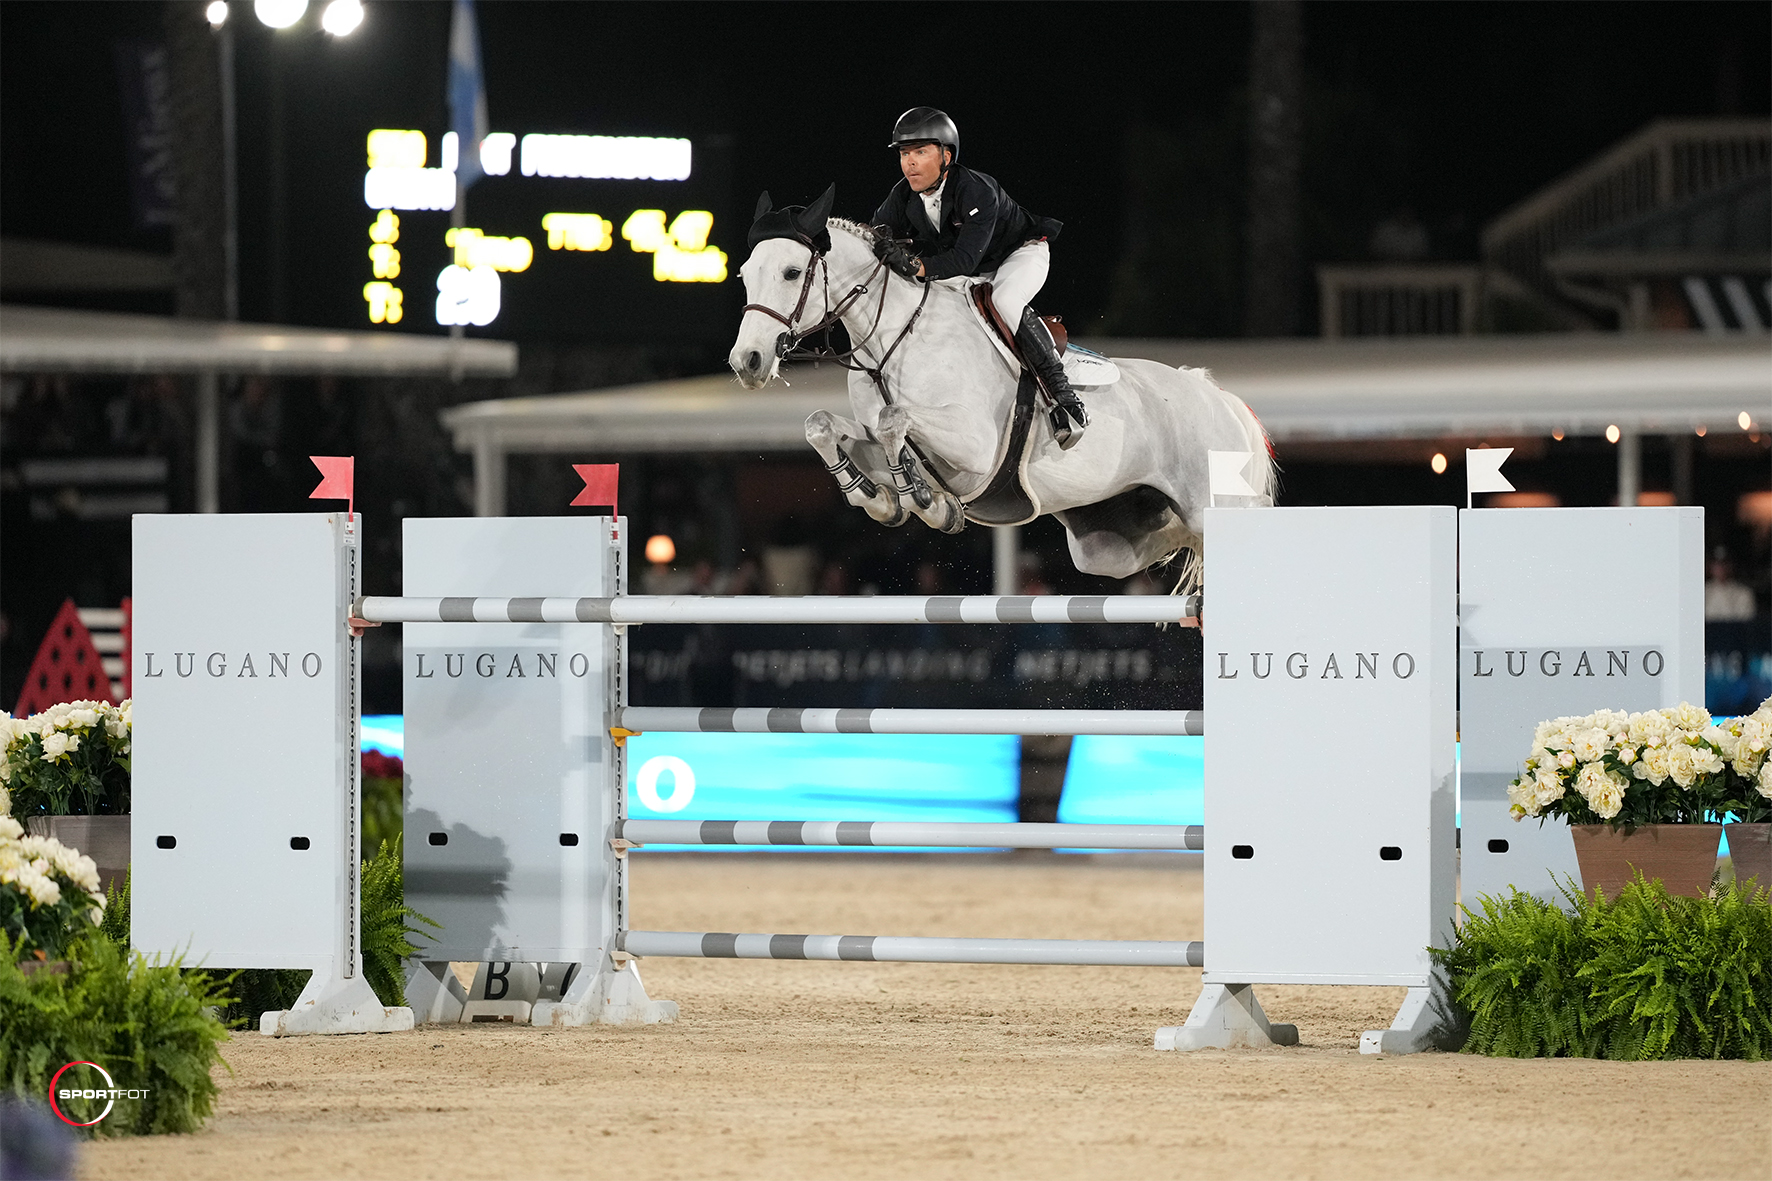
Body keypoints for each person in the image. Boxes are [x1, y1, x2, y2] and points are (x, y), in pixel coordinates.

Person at [869, 107, 1089, 447]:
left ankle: (1065, 398)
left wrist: (915, 267)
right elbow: (875, 236)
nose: (909, 162)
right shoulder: (902, 195)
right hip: (973, 270)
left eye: (920, 152)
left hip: (1020, 254)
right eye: (904, 153)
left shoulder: (976, 190)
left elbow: (963, 259)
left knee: (1004, 300)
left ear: (946, 156)